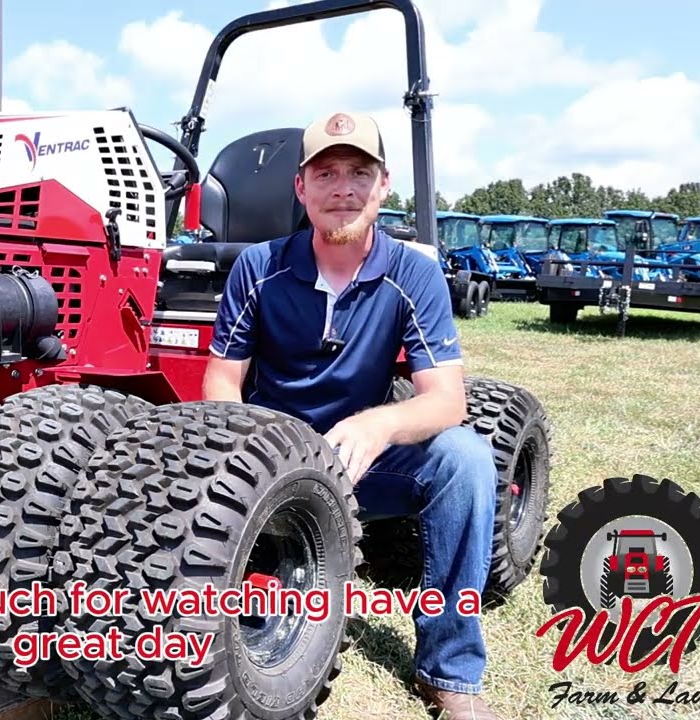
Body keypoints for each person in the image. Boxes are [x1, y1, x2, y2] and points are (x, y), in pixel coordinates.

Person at [202, 112, 499, 720]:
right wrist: (242, 470)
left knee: (465, 458)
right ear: (300, 188)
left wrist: (378, 424)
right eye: (327, 173)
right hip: (272, 465)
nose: (343, 188)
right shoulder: (258, 268)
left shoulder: (413, 272)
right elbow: (221, 383)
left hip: (363, 463)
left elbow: (447, 399)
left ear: (383, 184)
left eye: (359, 172)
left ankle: (451, 672)